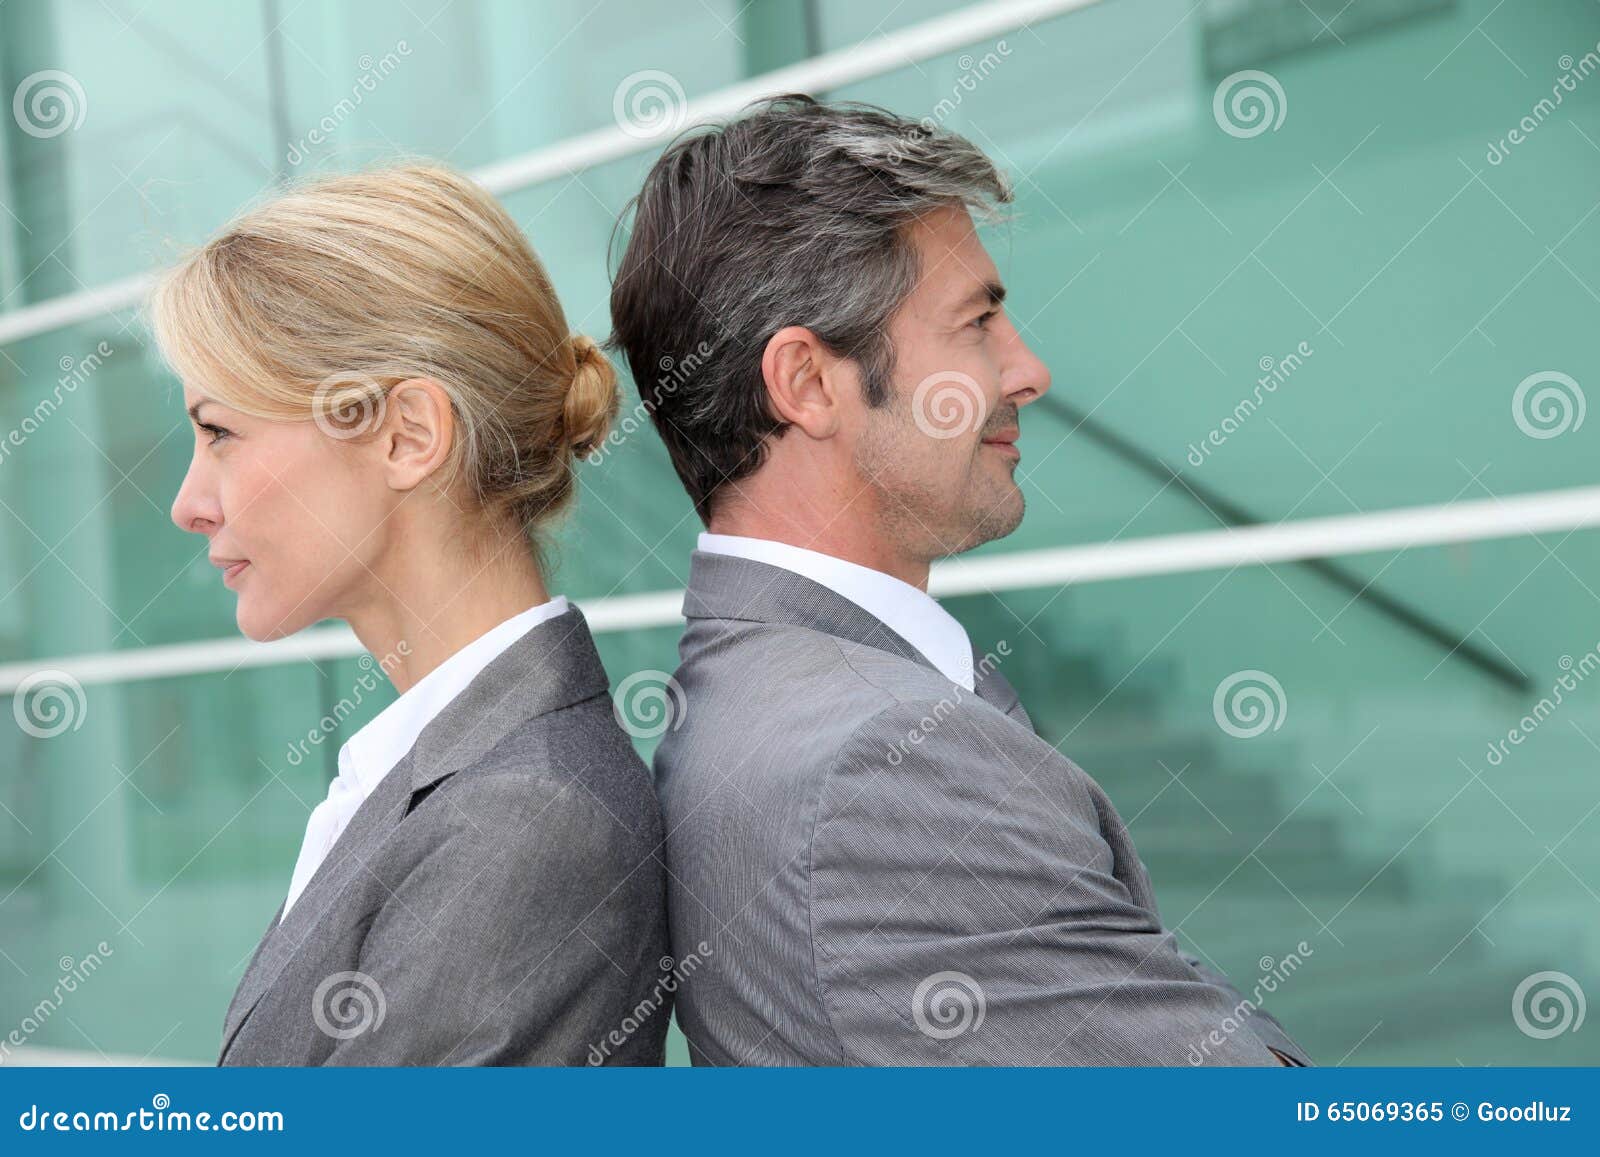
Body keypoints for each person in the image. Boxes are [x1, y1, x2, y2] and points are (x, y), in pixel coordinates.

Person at [608, 95, 1309, 1066]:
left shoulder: (752, 698)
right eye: (977, 322)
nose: (1029, 370)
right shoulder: (880, 761)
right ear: (807, 383)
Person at [156, 161, 669, 1065]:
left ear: (408, 436)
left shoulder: (526, 819)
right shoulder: (439, 777)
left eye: (220, 431)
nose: (188, 504)